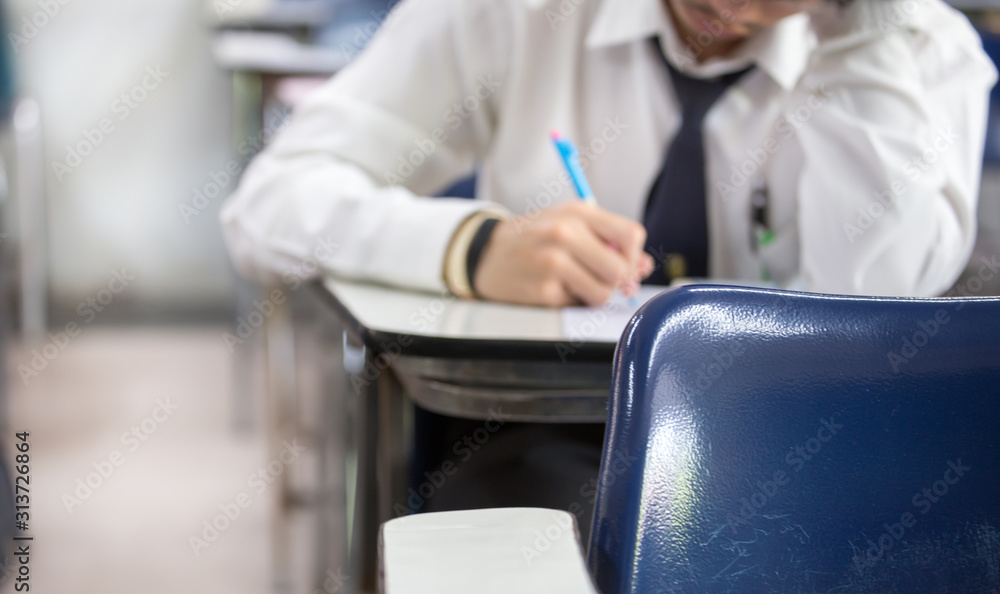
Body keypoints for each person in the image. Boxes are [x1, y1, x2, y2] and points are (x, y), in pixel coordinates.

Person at [220, 0, 997, 531]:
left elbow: (877, 314)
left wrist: (864, 40)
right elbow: (269, 202)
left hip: (813, 455)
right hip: (549, 441)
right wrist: (470, 249)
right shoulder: (517, 15)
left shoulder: (919, 56)